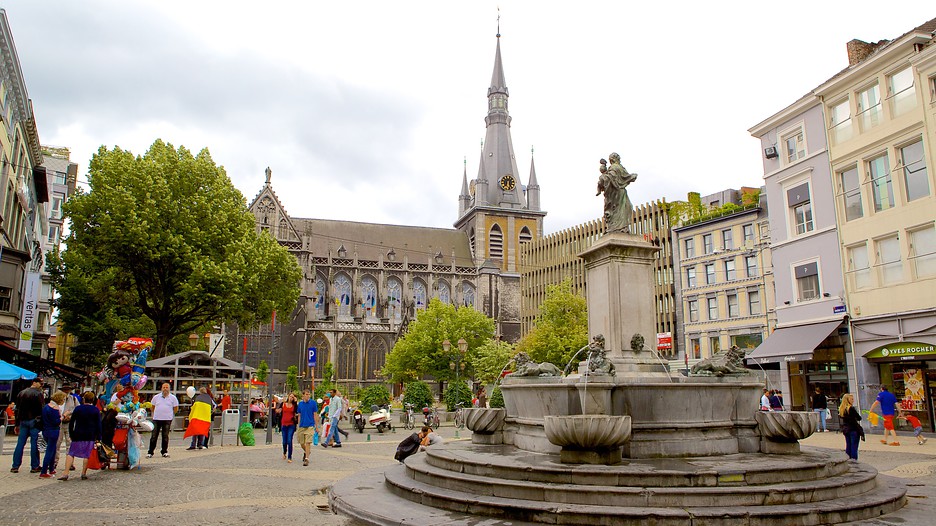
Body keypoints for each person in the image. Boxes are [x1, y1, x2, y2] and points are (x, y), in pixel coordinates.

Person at [59, 391, 102, 481]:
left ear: (84, 399)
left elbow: (72, 422)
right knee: (87, 454)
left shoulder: (78, 409)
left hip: (78, 433)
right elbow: (98, 425)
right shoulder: (95, 410)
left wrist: (71, 433)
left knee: (71, 453)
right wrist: (99, 437)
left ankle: (65, 473)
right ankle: (83, 473)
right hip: (90, 434)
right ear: (93, 400)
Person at [596, 152, 637, 234]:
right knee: (620, 209)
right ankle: (618, 227)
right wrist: (631, 176)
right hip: (617, 192)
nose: (619, 160)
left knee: (619, 209)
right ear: (614, 159)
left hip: (616, 193)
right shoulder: (615, 167)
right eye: (618, 158)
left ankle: (618, 227)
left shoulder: (614, 168)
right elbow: (621, 177)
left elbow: (607, 179)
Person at [11, 377, 45, 474]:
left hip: (23, 420)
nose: (41, 385)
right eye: (40, 383)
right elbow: (41, 409)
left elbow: (17, 409)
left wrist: (17, 423)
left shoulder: (22, 393)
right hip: (34, 421)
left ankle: (15, 465)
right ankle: (35, 466)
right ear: (35, 382)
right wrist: (41, 423)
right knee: (34, 444)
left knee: (20, 443)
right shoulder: (38, 394)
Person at [148, 382, 179, 458]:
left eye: (166, 387)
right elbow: (152, 407)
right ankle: (150, 452)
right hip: (156, 419)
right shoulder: (156, 397)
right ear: (161, 388)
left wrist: (170, 414)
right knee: (154, 436)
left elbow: (175, 409)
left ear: (169, 389)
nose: (165, 389)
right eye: (164, 387)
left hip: (167, 420)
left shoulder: (173, 398)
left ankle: (164, 451)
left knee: (165, 436)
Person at [39, 391, 66, 478]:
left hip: (46, 430)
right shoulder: (55, 408)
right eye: (63, 399)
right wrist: (63, 416)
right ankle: (44, 471)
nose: (64, 401)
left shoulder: (46, 406)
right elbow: (56, 421)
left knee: (53, 449)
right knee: (50, 451)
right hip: (53, 431)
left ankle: (51, 469)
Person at [295, 390, 320, 466]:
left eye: (309, 394)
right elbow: (299, 415)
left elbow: (315, 414)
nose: (308, 396)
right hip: (302, 425)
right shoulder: (300, 404)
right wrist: (298, 425)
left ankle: (307, 459)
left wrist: (316, 426)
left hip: (310, 425)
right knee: (302, 443)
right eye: (306, 394)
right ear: (303, 395)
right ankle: (306, 451)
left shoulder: (313, 403)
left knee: (308, 442)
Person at [839, 393, 863, 461]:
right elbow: (858, 418)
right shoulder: (851, 408)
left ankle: (847, 459)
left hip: (846, 429)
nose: (853, 400)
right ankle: (854, 461)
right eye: (851, 399)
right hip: (853, 429)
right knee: (854, 447)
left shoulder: (842, 409)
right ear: (847, 400)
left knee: (848, 446)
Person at [277, 393, 298, 462]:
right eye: (290, 396)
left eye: (293, 397)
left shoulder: (294, 405)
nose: (291, 398)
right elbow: (278, 410)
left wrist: (296, 402)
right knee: (284, 441)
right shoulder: (283, 404)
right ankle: (284, 452)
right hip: (284, 424)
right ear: (288, 397)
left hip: (291, 424)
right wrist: (278, 411)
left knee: (289, 440)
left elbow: (297, 412)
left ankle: (289, 457)